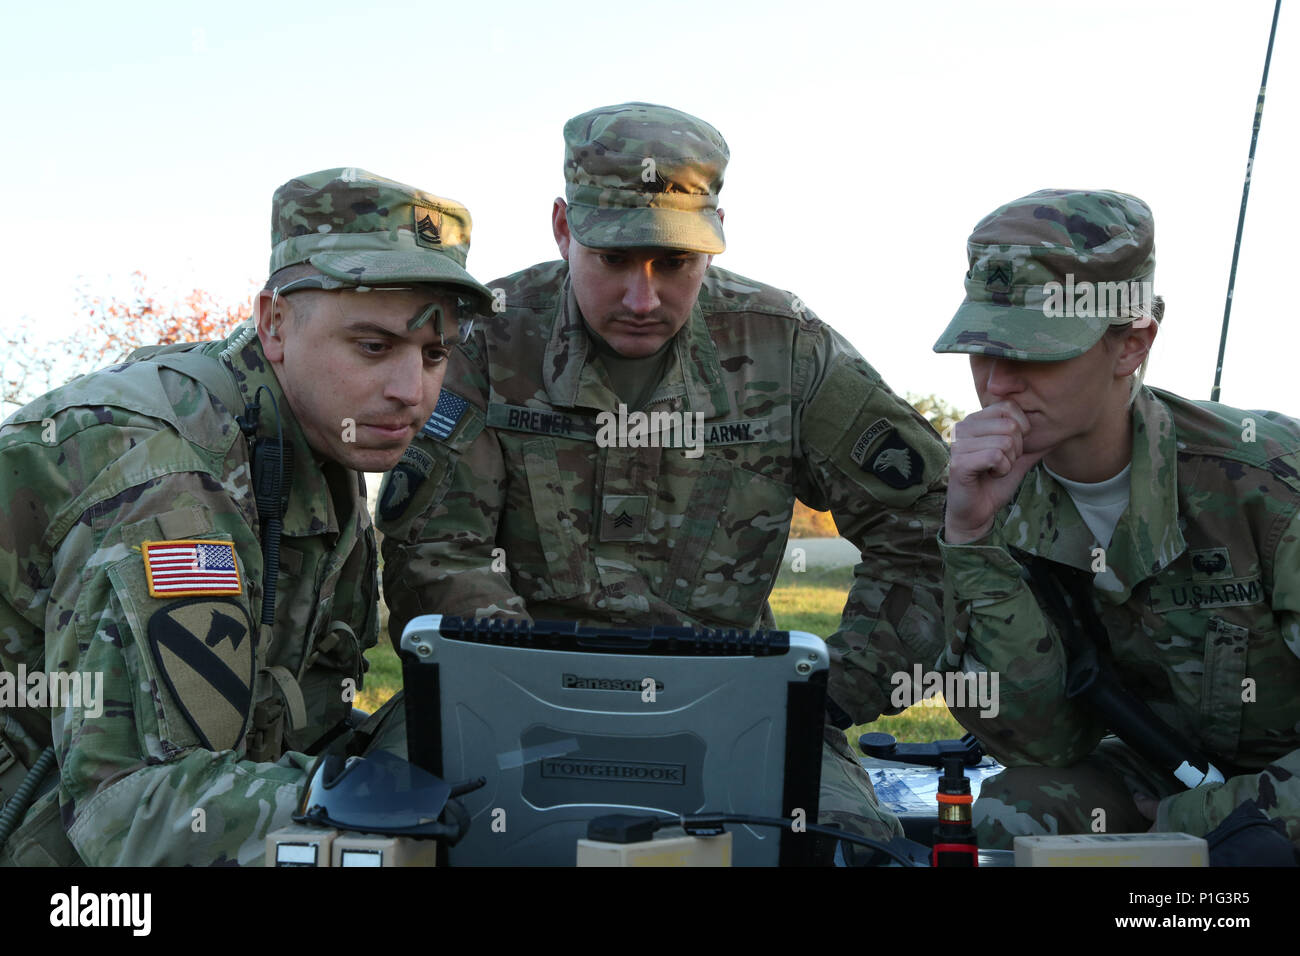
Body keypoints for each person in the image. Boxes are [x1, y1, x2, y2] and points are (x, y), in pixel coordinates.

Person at [377, 102, 950, 848]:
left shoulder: (784, 348)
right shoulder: (486, 339)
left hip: (738, 709)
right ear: (562, 228)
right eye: (613, 259)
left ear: (713, 242)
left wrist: (830, 695)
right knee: (395, 836)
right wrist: (522, 692)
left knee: (841, 850)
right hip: (510, 701)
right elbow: (433, 546)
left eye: (674, 264)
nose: (642, 299)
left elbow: (925, 523)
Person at [0, 168, 492, 865]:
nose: (411, 391)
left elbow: (294, 724)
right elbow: (133, 808)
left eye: (435, 354)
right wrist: (348, 794)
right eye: (375, 347)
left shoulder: (322, 443)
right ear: (274, 324)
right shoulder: (168, 475)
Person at [934, 188, 1300, 852]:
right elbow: (1040, 742)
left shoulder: (1264, 484)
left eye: (1034, 351)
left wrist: (1204, 820)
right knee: (1019, 815)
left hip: (1280, 785)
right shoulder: (997, 496)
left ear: (1131, 345)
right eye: (983, 349)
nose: (998, 383)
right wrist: (972, 539)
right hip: (1154, 773)